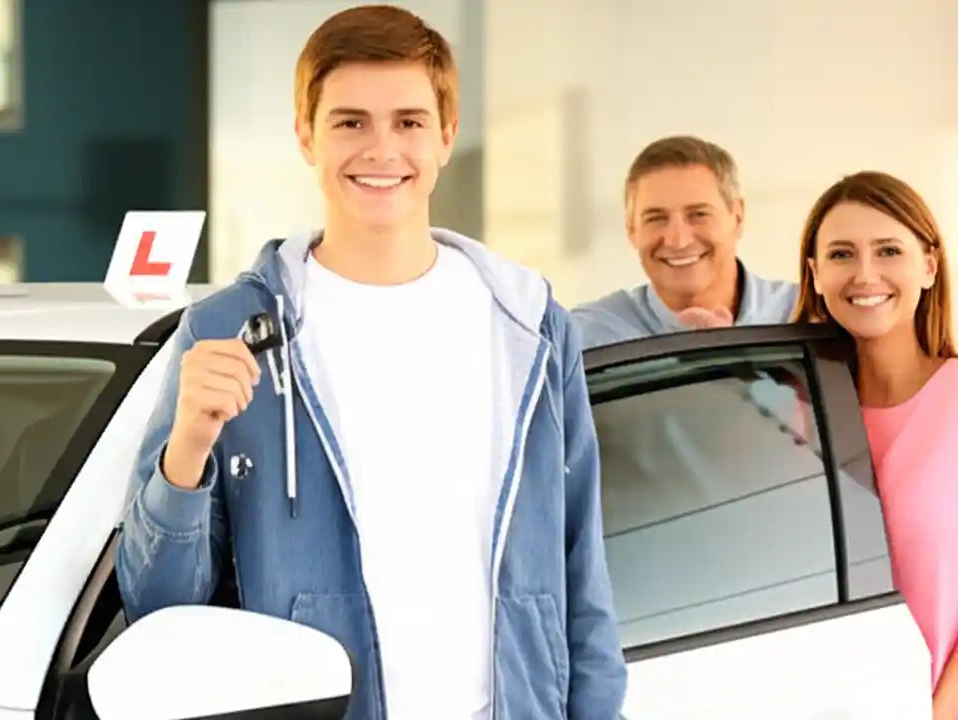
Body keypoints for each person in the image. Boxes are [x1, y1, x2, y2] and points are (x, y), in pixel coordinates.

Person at [115, 4, 626, 719]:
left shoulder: (531, 326)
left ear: (446, 136)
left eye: (409, 122)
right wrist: (188, 450)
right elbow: (158, 606)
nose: (381, 149)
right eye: (350, 122)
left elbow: (583, 577)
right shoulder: (227, 329)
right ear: (306, 136)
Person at [791, 170, 958, 719]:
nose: (865, 275)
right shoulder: (793, 412)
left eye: (888, 250)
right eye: (841, 255)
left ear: (929, 266)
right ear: (815, 274)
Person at [572, 135, 798, 349]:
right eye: (656, 218)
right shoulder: (587, 337)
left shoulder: (802, 313)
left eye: (698, 214)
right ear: (631, 230)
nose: (678, 241)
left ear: (737, 217)